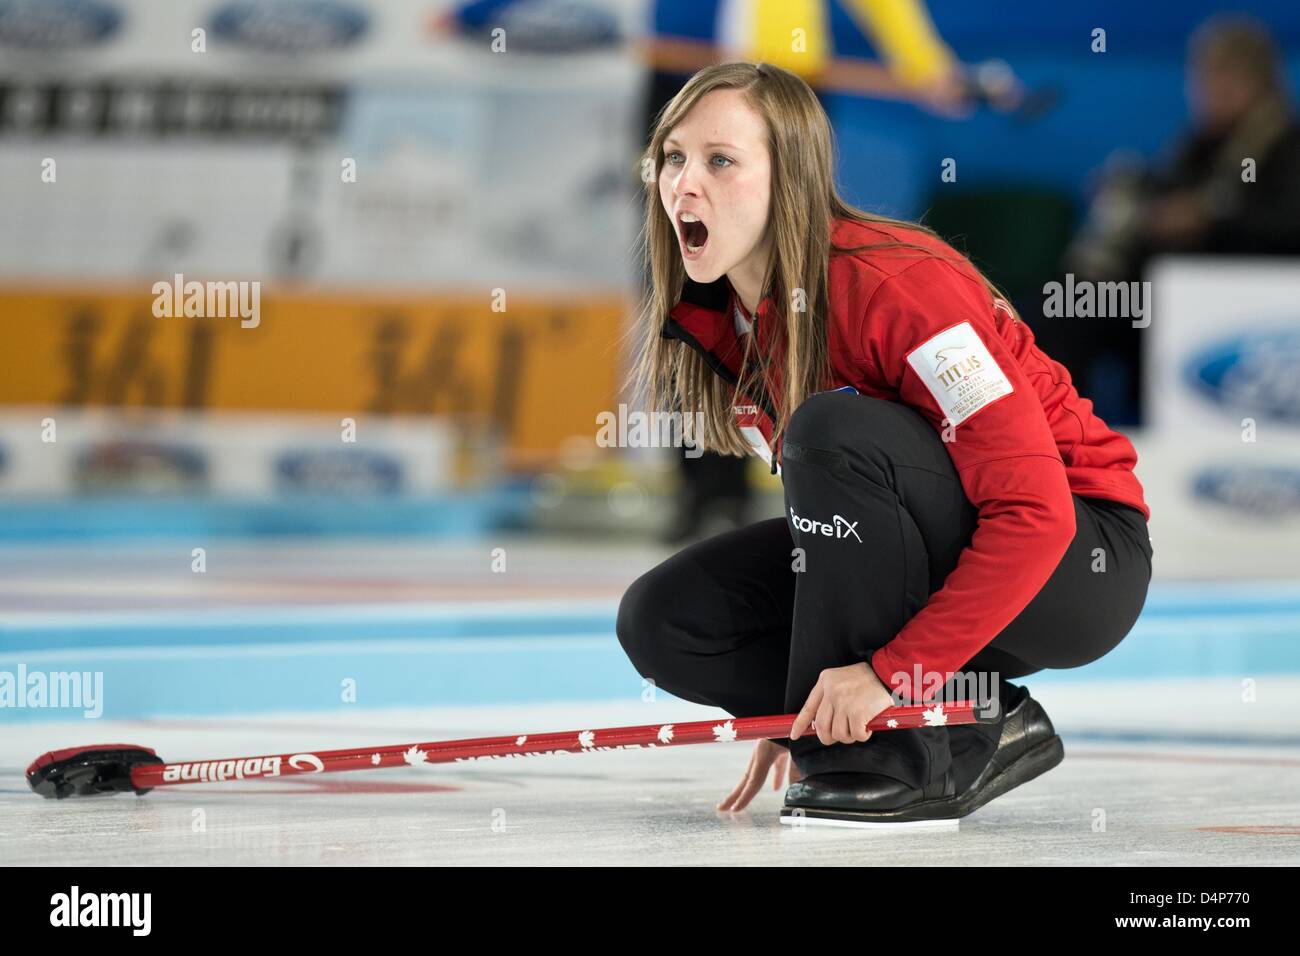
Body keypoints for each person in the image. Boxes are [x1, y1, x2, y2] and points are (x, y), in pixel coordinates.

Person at [616, 62, 1153, 826]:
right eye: (671, 157)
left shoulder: (898, 288)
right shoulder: (727, 315)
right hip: (949, 549)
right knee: (667, 619)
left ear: (792, 177)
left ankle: (896, 755)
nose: (682, 185)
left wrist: (892, 677)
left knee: (832, 428)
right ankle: (976, 720)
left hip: (1079, 563)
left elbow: (1036, 514)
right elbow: (839, 525)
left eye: (720, 160)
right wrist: (804, 689)